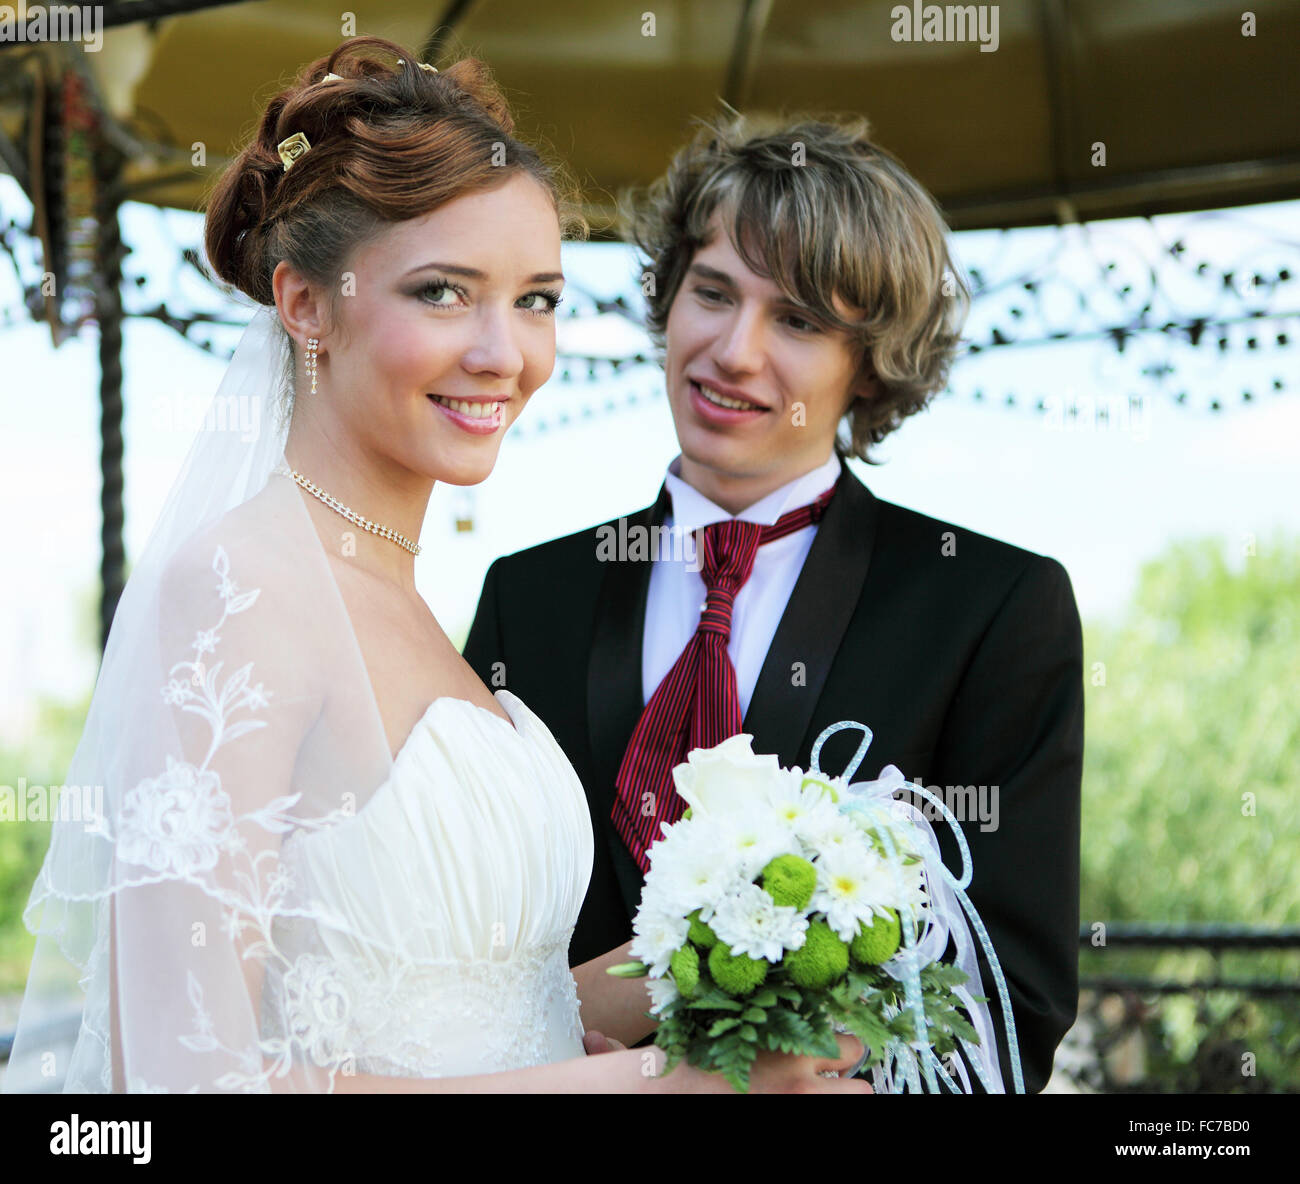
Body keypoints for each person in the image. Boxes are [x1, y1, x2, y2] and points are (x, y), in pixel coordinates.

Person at [2, 38, 868, 1095]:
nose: (504, 352)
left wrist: (782, 916)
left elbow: (490, 1002)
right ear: (304, 303)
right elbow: (182, 1078)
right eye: (444, 292)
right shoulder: (238, 590)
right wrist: (656, 1086)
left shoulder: (404, 601)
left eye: (537, 298)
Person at [464, 112, 1086, 1093]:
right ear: (667, 298)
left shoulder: (992, 605)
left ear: (872, 362)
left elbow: (1014, 1001)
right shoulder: (525, 595)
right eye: (711, 292)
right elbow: (471, 936)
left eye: (796, 319)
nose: (732, 350)